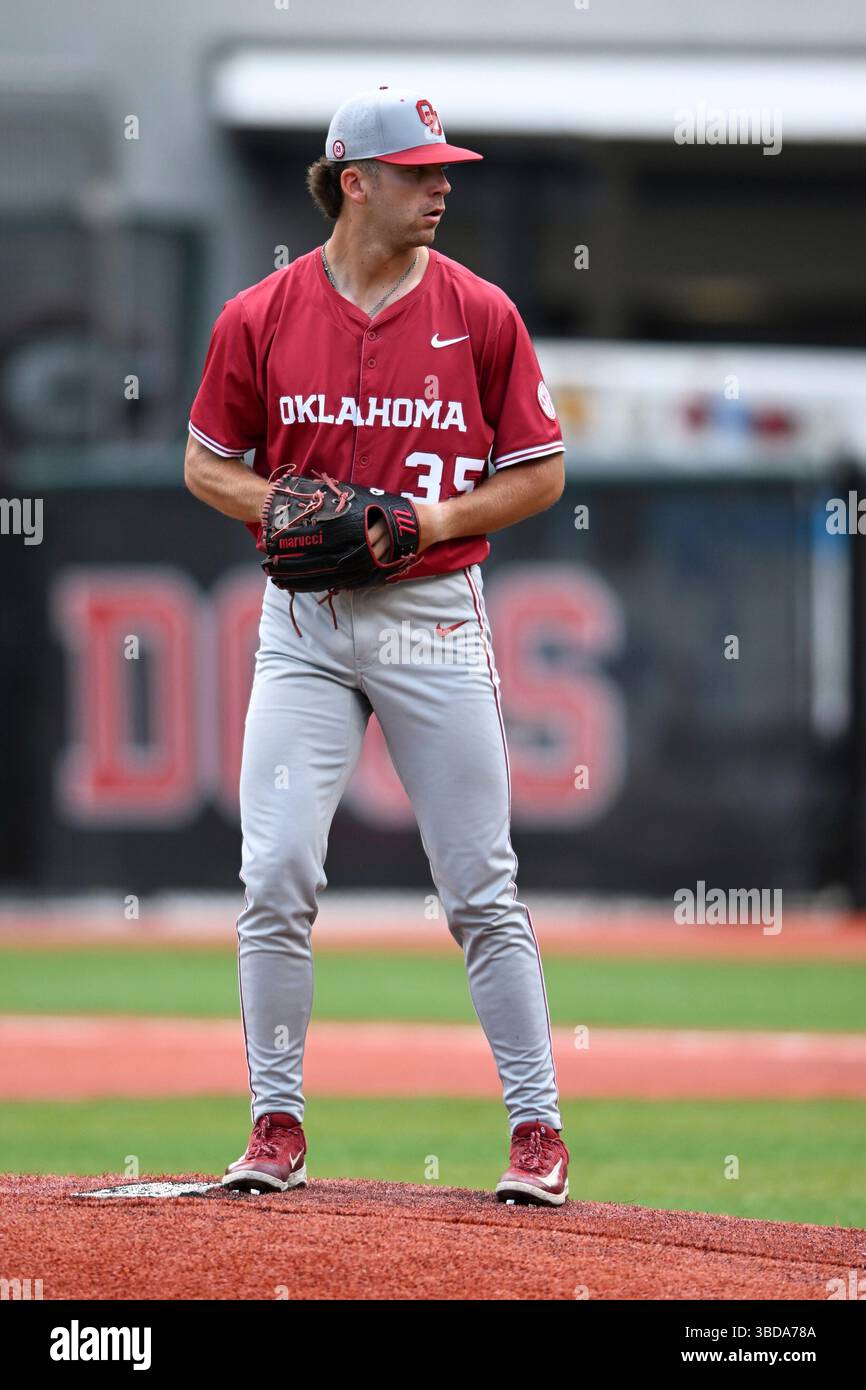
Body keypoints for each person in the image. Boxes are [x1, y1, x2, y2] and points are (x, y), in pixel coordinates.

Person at [184, 85, 569, 1205]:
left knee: (478, 885)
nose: (440, 186)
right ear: (354, 180)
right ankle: (273, 1121)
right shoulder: (258, 314)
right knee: (274, 873)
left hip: (432, 616)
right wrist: (280, 507)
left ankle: (537, 1127)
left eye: (445, 169)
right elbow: (207, 463)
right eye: (418, 171)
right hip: (304, 629)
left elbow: (540, 471)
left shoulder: (480, 312)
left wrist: (431, 520)